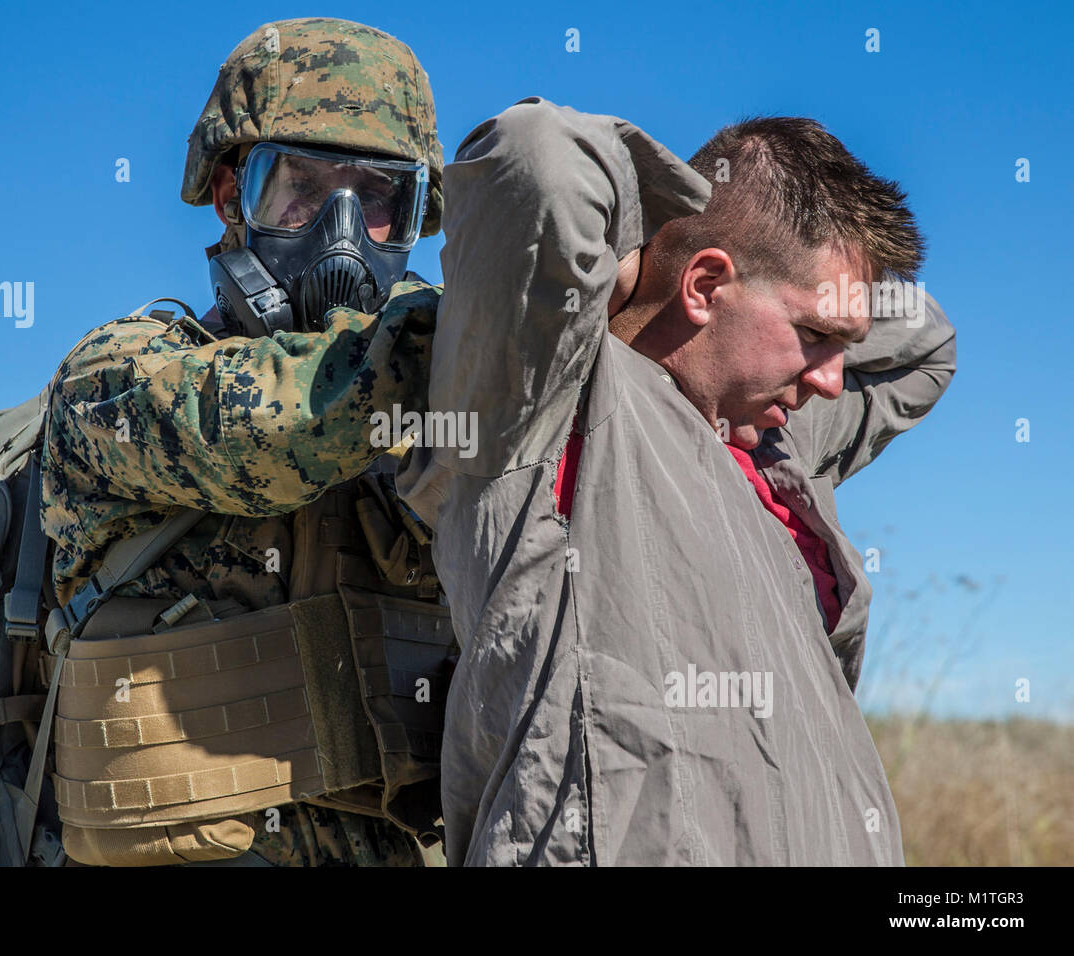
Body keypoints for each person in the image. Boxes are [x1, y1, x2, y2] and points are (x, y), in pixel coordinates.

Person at [397, 97, 956, 865]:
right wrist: (641, 272)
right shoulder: (546, 402)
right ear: (703, 286)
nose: (833, 380)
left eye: (843, 344)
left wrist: (800, 283)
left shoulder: (781, 444)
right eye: (817, 336)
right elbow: (537, 161)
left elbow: (928, 345)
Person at [37, 17, 450, 867]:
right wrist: (455, 337)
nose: (340, 232)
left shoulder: (432, 393)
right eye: (300, 187)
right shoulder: (117, 377)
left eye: (376, 201)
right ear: (233, 199)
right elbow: (287, 422)